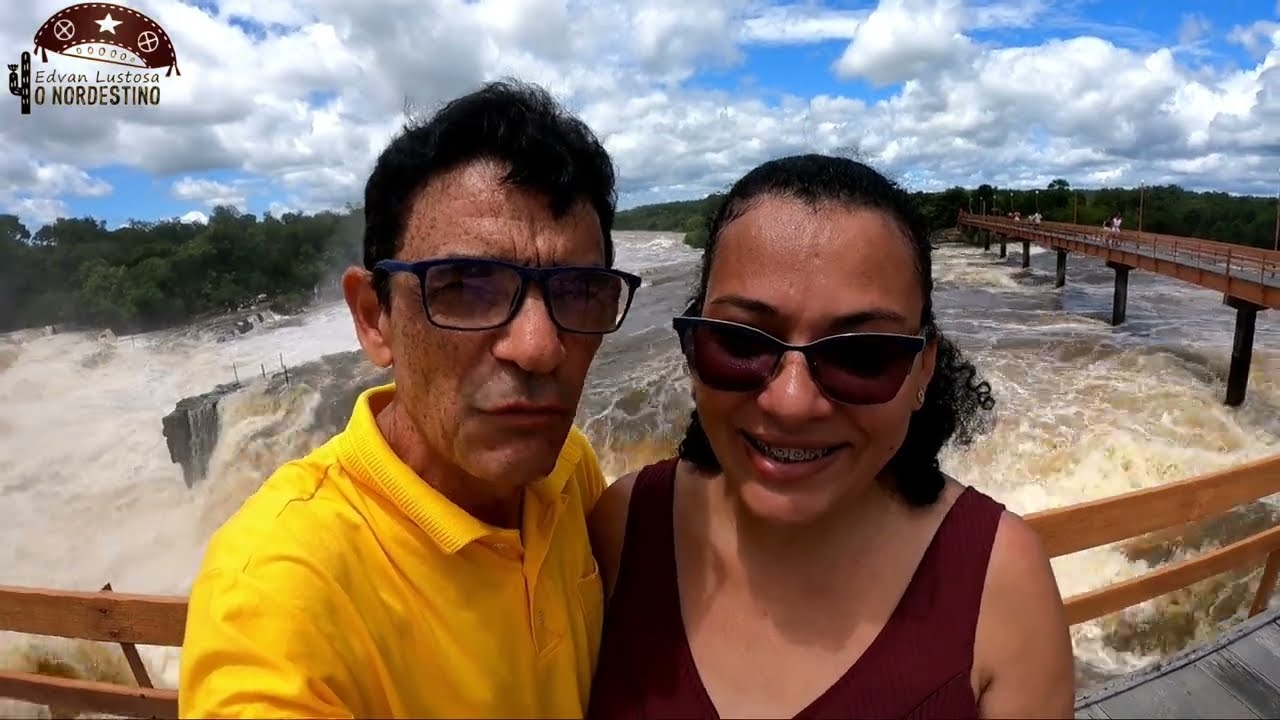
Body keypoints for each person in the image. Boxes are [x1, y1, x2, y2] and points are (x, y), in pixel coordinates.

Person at [178, 80, 642, 718]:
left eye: (579, 290)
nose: (539, 348)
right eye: (468, 286)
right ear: (374, 318)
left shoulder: (567, 470)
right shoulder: (280, 587)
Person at [587, 154, 1075, 719]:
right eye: (742, 343)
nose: (791, 403)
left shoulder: (1001, 582)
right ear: (694, 348)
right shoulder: (620, 527)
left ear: (923, 370)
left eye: (863, 355)